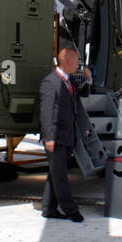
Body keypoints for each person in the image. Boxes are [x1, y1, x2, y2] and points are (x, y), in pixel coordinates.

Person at [39, 41, 90, 222]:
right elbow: (46, 112)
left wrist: (86, 78)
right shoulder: (50, 82)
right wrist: (49, 138)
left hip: (67, 136)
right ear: (67, 61)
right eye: (76, 62)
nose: (78, 66)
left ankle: (48, 208)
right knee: (60, 176)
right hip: (57, 137)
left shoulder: (67, 81)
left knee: (54, 174)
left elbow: (78, 95)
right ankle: (70, 210)